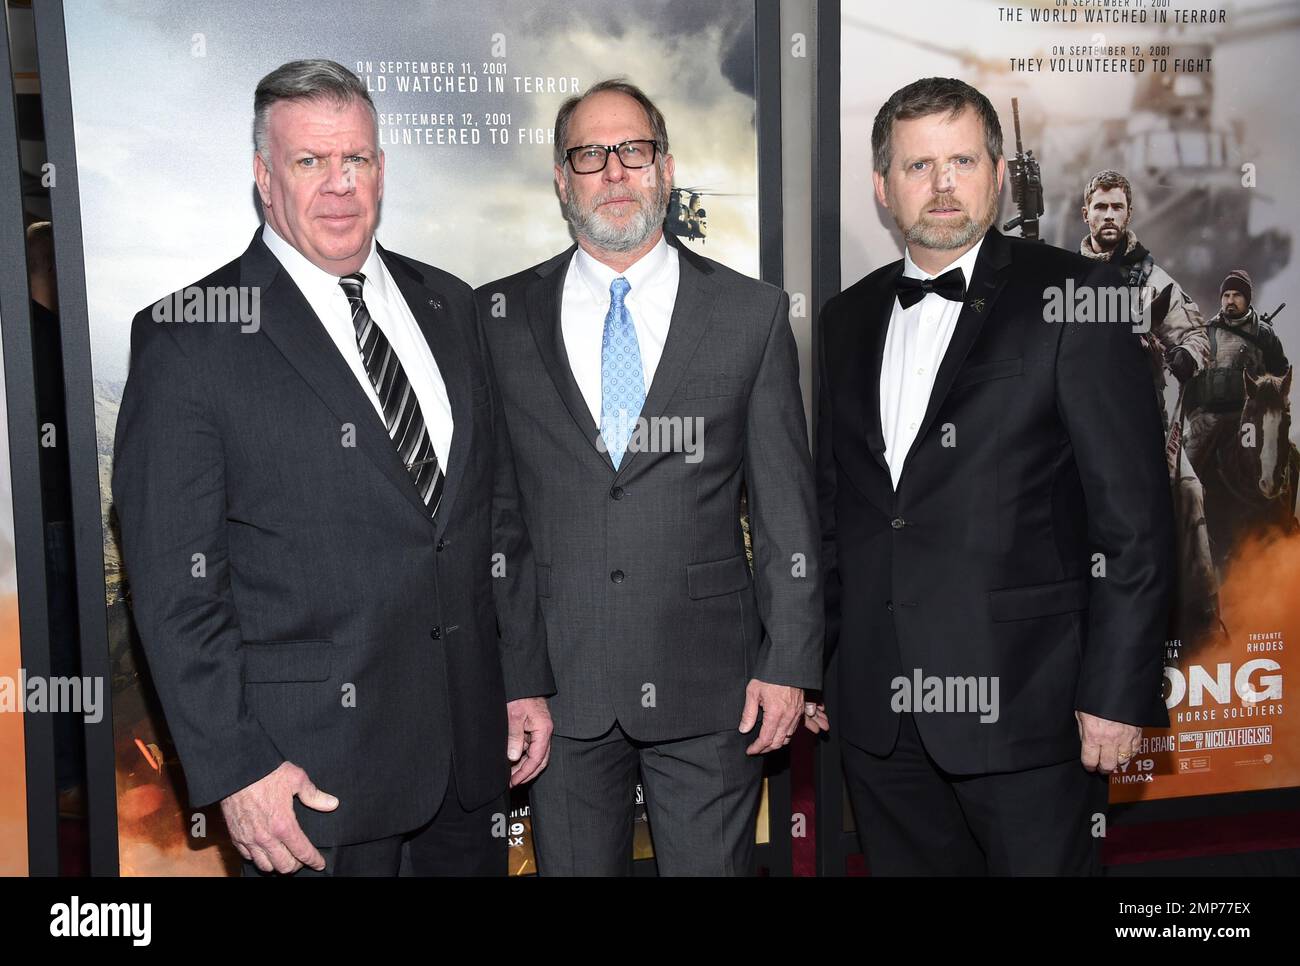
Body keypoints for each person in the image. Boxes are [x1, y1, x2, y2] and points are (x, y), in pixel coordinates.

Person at [112, 59, 553, 877]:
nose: (338, 184)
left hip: (467, 764)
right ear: (263, 178)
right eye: (309, 161)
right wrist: (238, 768)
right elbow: (176, 592)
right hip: (307, 785)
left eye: (355, 158)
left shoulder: (451, 305)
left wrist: (522, 679)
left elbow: (494, 515)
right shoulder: (187, 339)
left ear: (381, 167)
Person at [815, 77, 1174, 875]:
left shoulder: (1080, 296)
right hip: (881, 717)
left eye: (962, 161)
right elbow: (838, 513)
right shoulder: (846, 318)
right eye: (918, 167)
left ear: (1000, 172)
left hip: (1031, 711)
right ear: (882, 187)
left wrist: (1116, 695)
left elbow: (1136, 523)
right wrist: (819, 666)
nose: (943, 186)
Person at [476, 79, 822, 876]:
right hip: (559, 697)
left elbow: (786, 514)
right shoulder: (497, 320)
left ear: (665, 167)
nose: (614, 172)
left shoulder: (751, 315)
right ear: (562, 179)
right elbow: (495, 519)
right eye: (590, 155)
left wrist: (791, 660)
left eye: (633, 150)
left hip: (714, 689)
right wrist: (515, 676)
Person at [1077, 170, 1218, 631]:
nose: (1110, 215)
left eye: (1118, 206)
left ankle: (1202, 617)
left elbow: (1197, 334)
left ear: (1130, 213)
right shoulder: (1064, 279)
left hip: (1142, 424)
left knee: (1189, 492)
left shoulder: (1153, 280)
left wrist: (1183, 354)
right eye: (1101, 206)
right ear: (1086, 214)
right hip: (1077, 425)